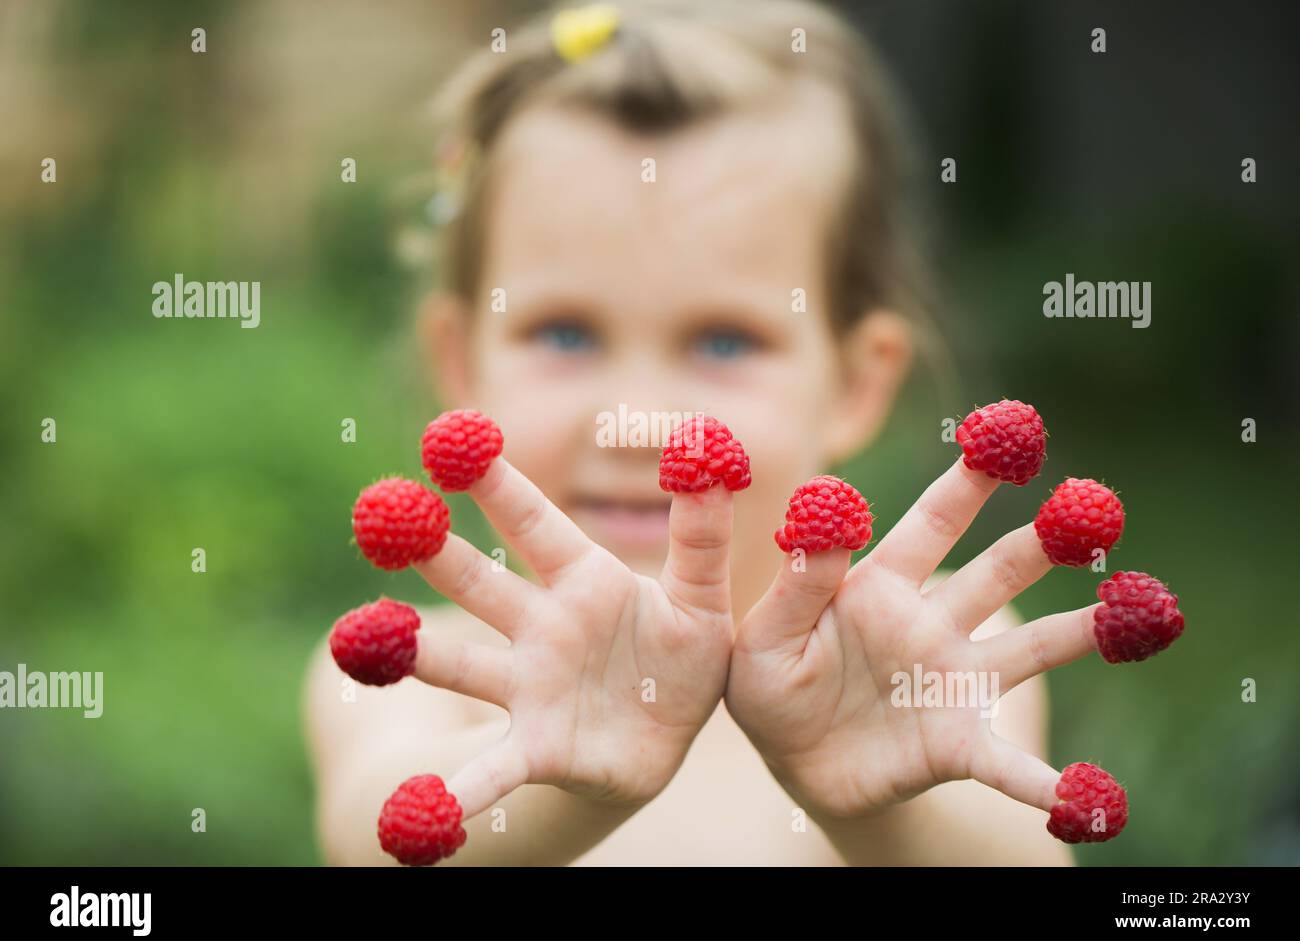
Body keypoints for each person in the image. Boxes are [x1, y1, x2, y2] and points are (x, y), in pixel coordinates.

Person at [305, 0, 1081, 865]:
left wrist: (872, 802)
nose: (645, 422)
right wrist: (571, 781)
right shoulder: (423, 668)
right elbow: (369, 842)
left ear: (855, 384)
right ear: (461, 362)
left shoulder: (932, 647)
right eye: (565, 333)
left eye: (724, 341)